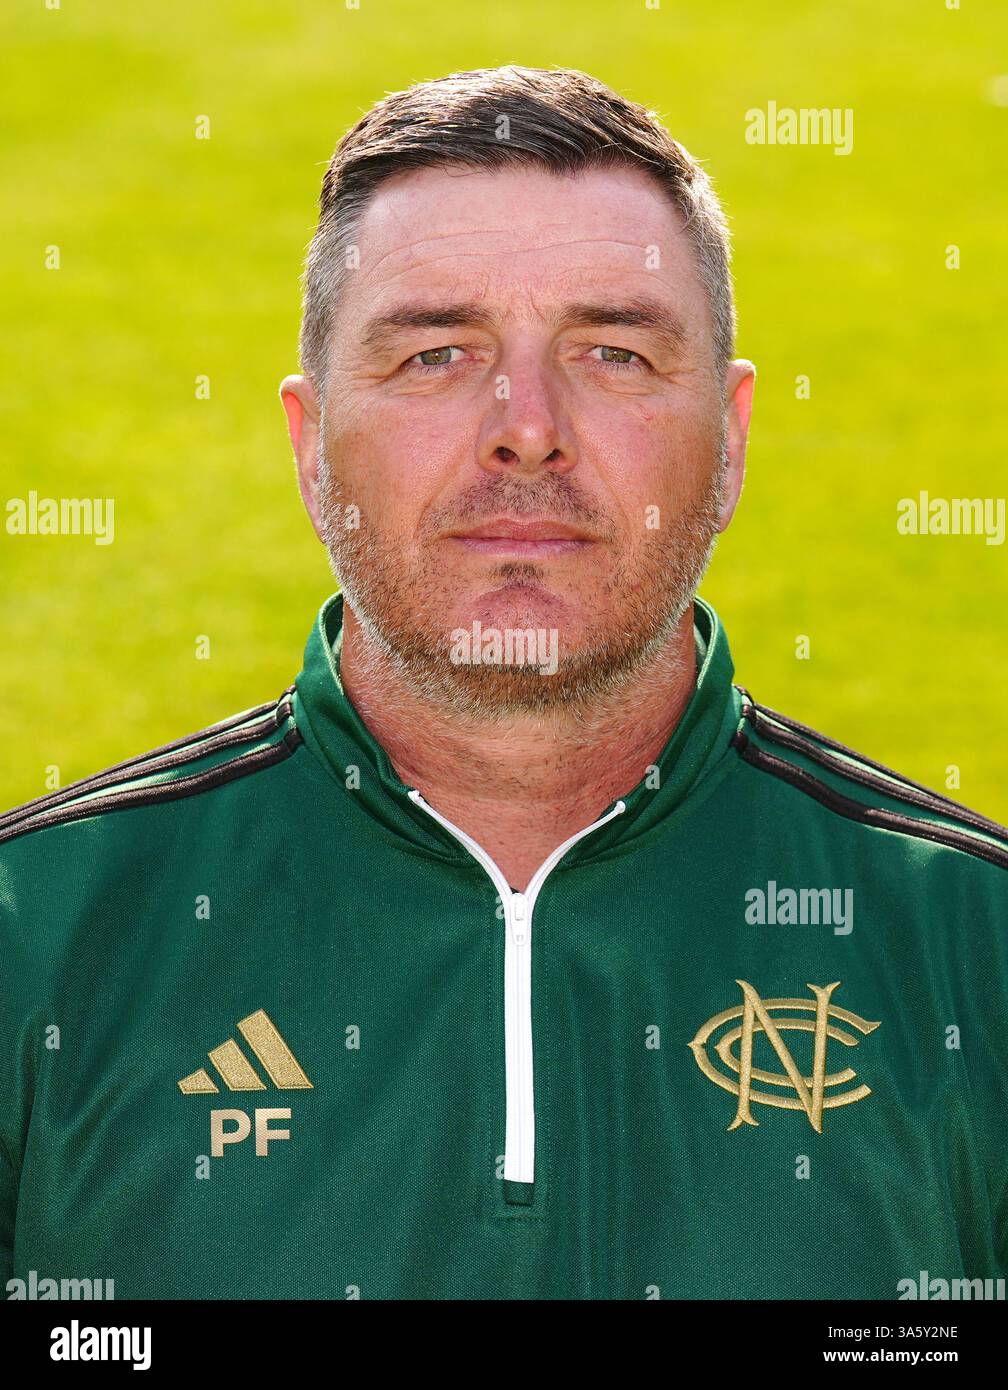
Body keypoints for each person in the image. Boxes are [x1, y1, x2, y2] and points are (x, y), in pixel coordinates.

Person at [2, 65, 1005, 1301]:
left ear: (733, 438)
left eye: (614, 352)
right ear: (312, 447)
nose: (524, 424)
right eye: (434, 352)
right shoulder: (31, 941)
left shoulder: (979, 951)